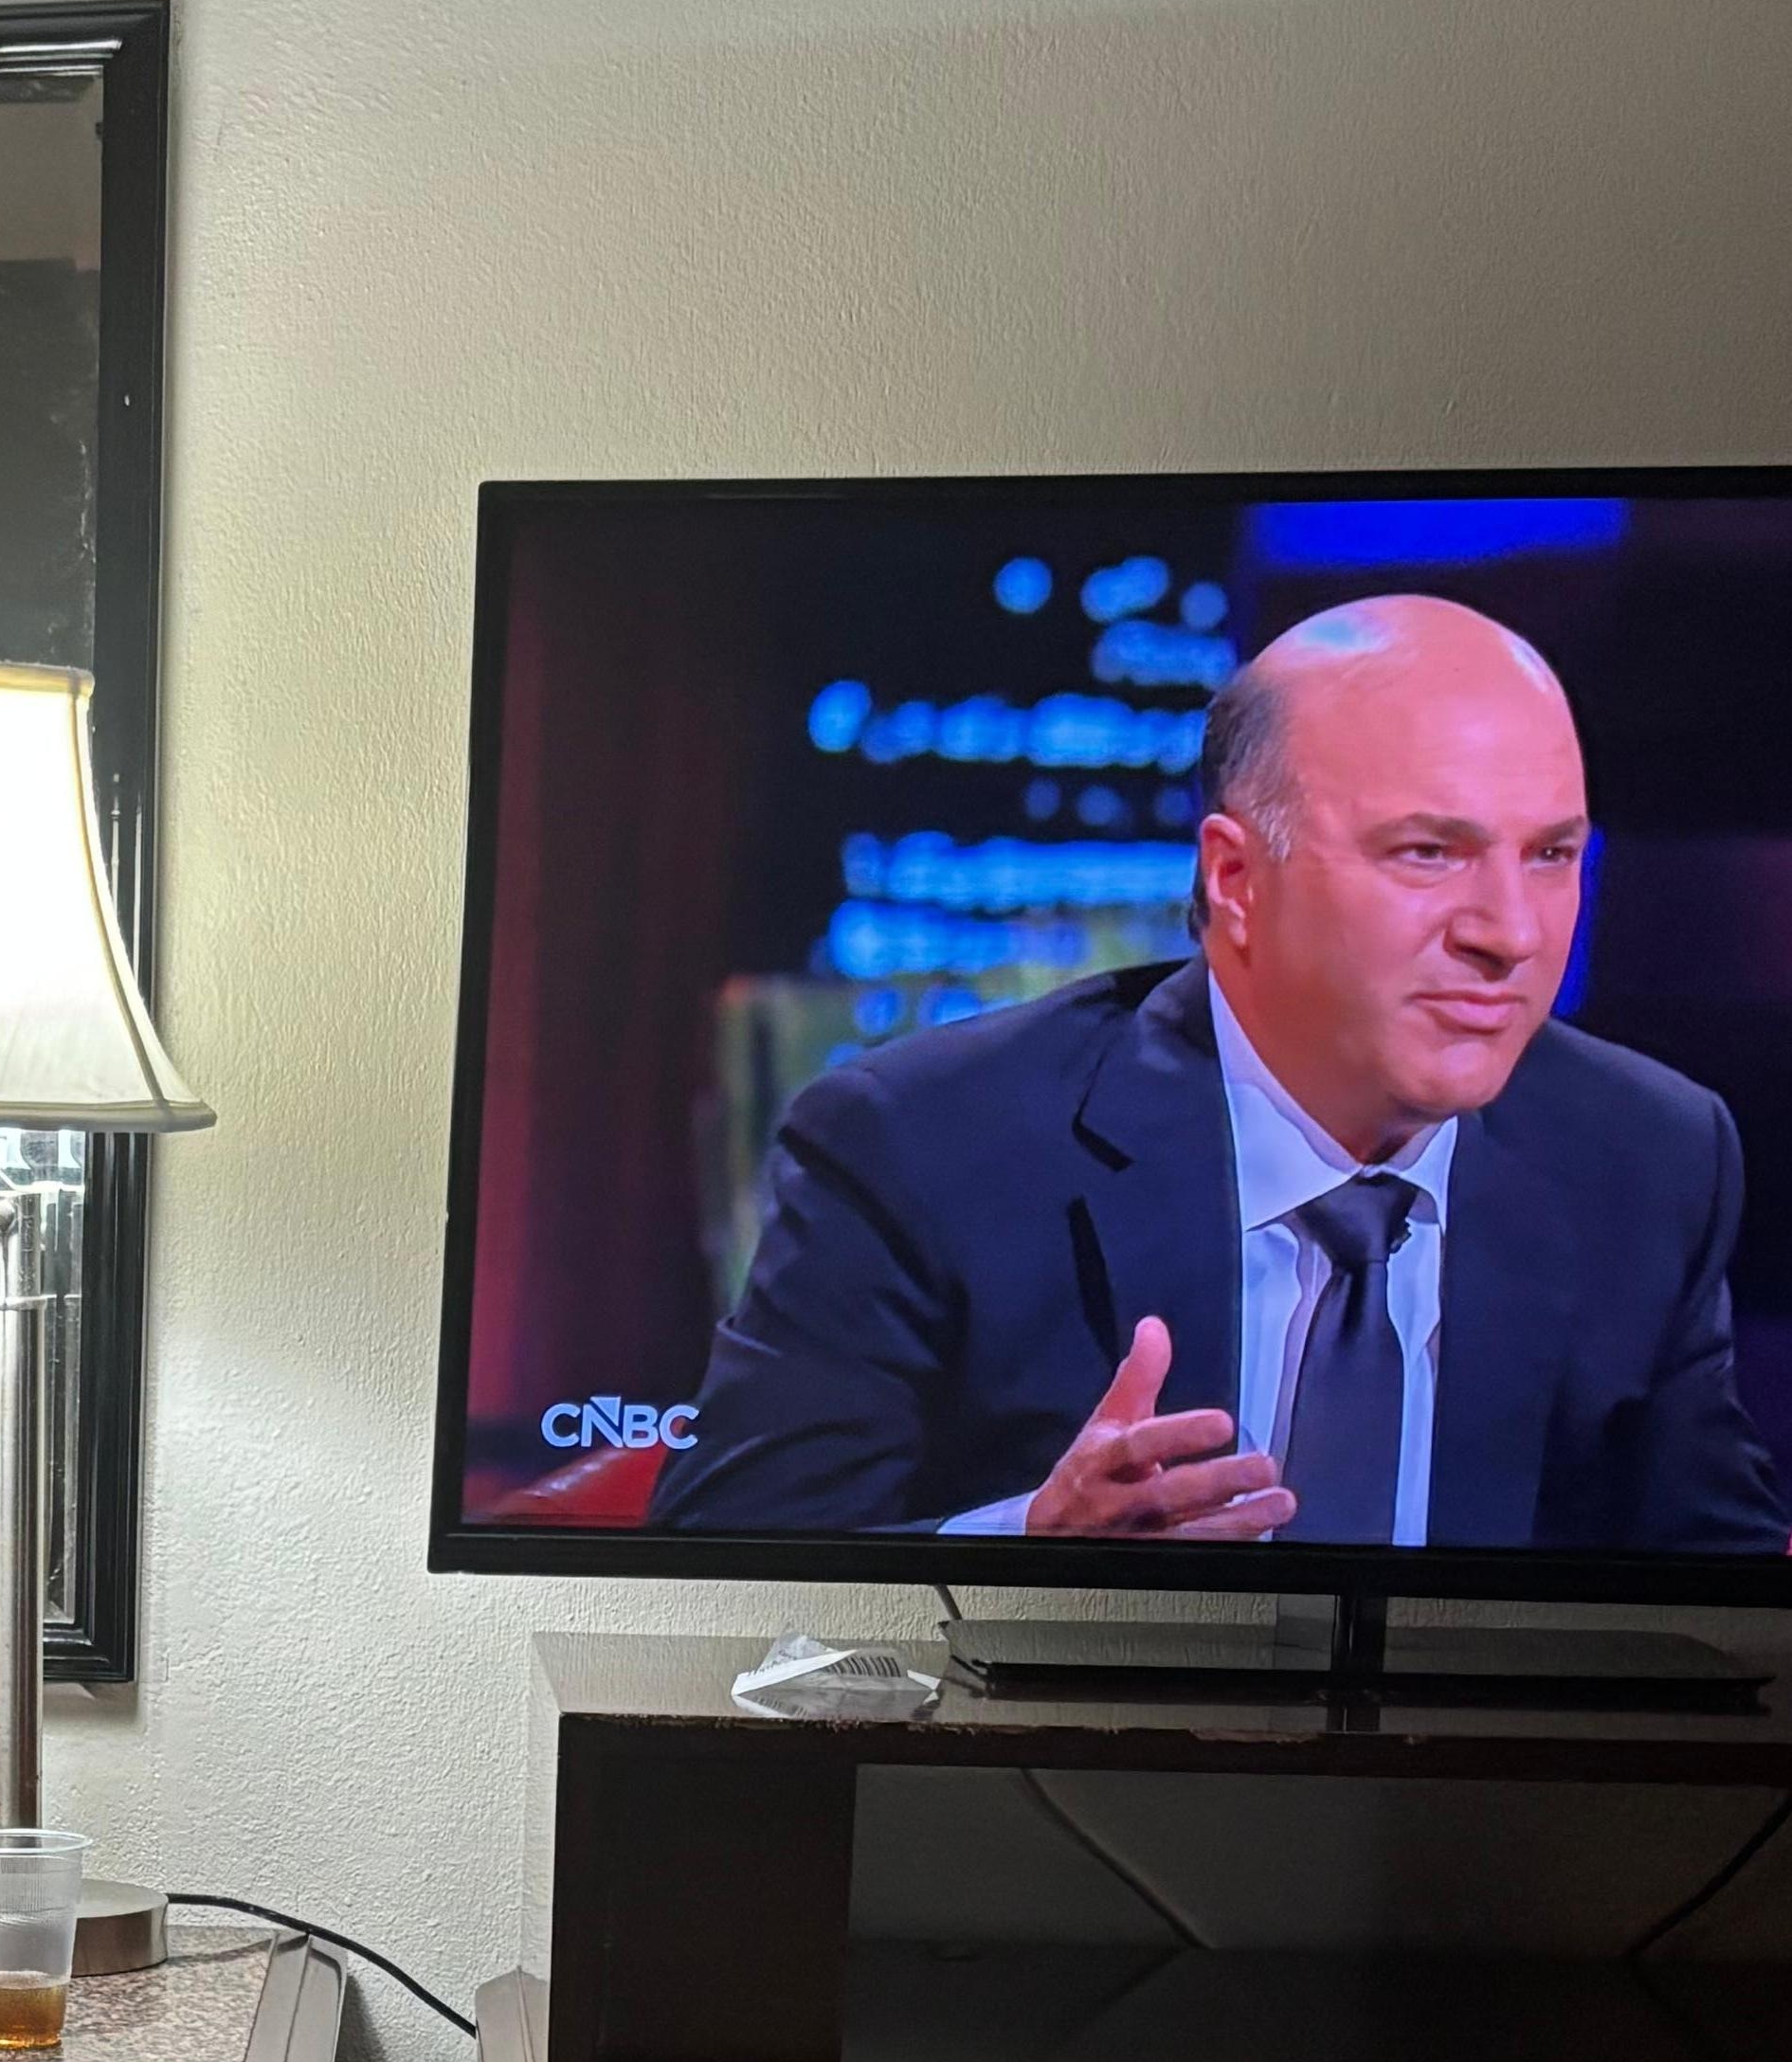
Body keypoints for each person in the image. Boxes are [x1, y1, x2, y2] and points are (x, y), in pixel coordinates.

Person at [649, 594, 1787, 1550]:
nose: (1512, 933)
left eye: (1550, 856)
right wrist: (1027, 1551)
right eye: (1428, 853)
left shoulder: (1648, 1159)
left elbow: (1728, 1606)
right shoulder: (921, 1149)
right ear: (1238, 879)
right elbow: (723, 1570)